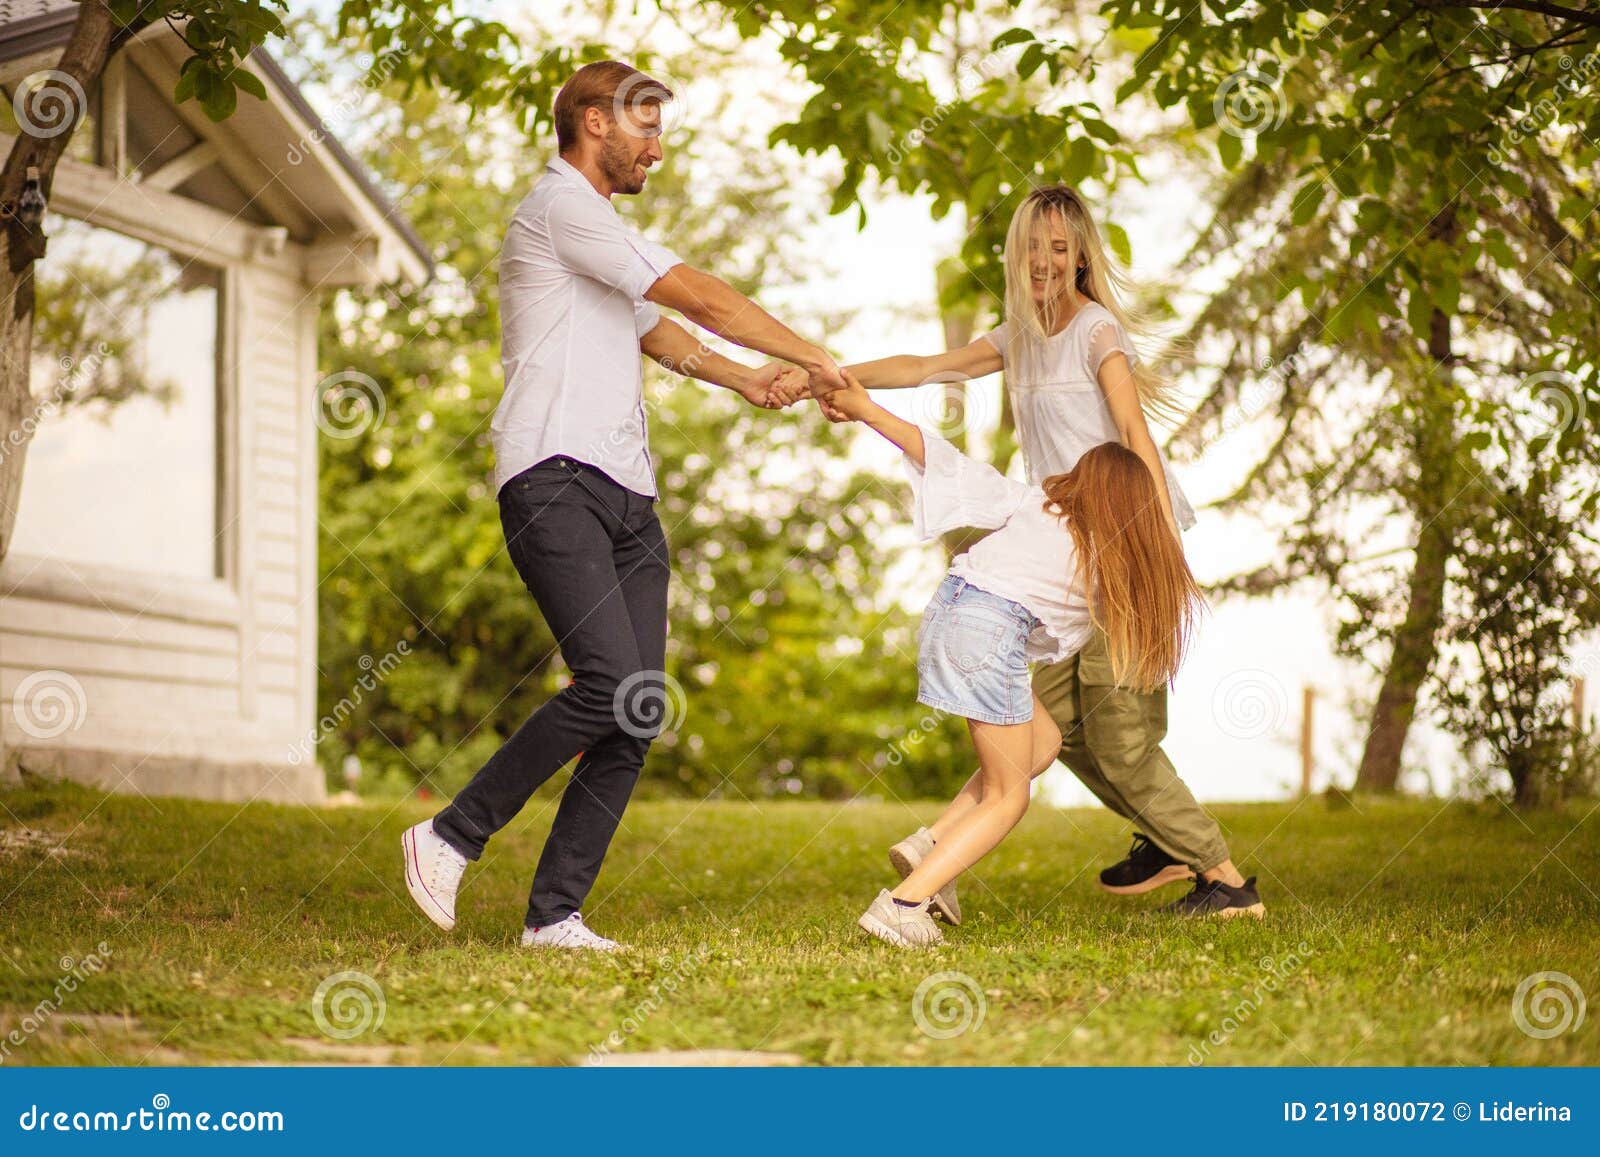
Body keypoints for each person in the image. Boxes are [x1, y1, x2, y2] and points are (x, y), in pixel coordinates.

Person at [403, 61, 841, 952]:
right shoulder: (559, 207)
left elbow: (661, 332)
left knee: (636, 703)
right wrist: (814, 356)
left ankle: (554, 915)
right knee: (606, 680)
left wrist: (747, 376)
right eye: (646, 124)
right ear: (593, 123)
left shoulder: (599, 234)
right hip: (553, 473)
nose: (658, 145)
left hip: (628, 495)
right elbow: (703, 298)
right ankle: (449, 832)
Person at [844, 184, 1265, 919]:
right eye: (1033, 247)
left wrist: (1157, 555)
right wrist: (838, 378)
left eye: (1059, 249)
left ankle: (1221, 877)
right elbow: (921, 367)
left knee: (1118, 729)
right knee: (1052, 726)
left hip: (1126, 541)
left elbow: (1137, 438)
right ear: (1018, 253)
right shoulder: (1018, 334)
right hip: (1063, 545)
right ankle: (948, 847)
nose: (1044, 261)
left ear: (1080, 257)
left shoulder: (1097, 331)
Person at [818, 372, 1243, 946]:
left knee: (1041, 743)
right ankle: (902, 905)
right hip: (990, 632)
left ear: (1082, 481)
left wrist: (867, 408)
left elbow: (944, 462)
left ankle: (932, 845)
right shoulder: (1109, 558)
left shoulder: (1035, 501)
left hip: (951, 609)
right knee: (1009, 796)